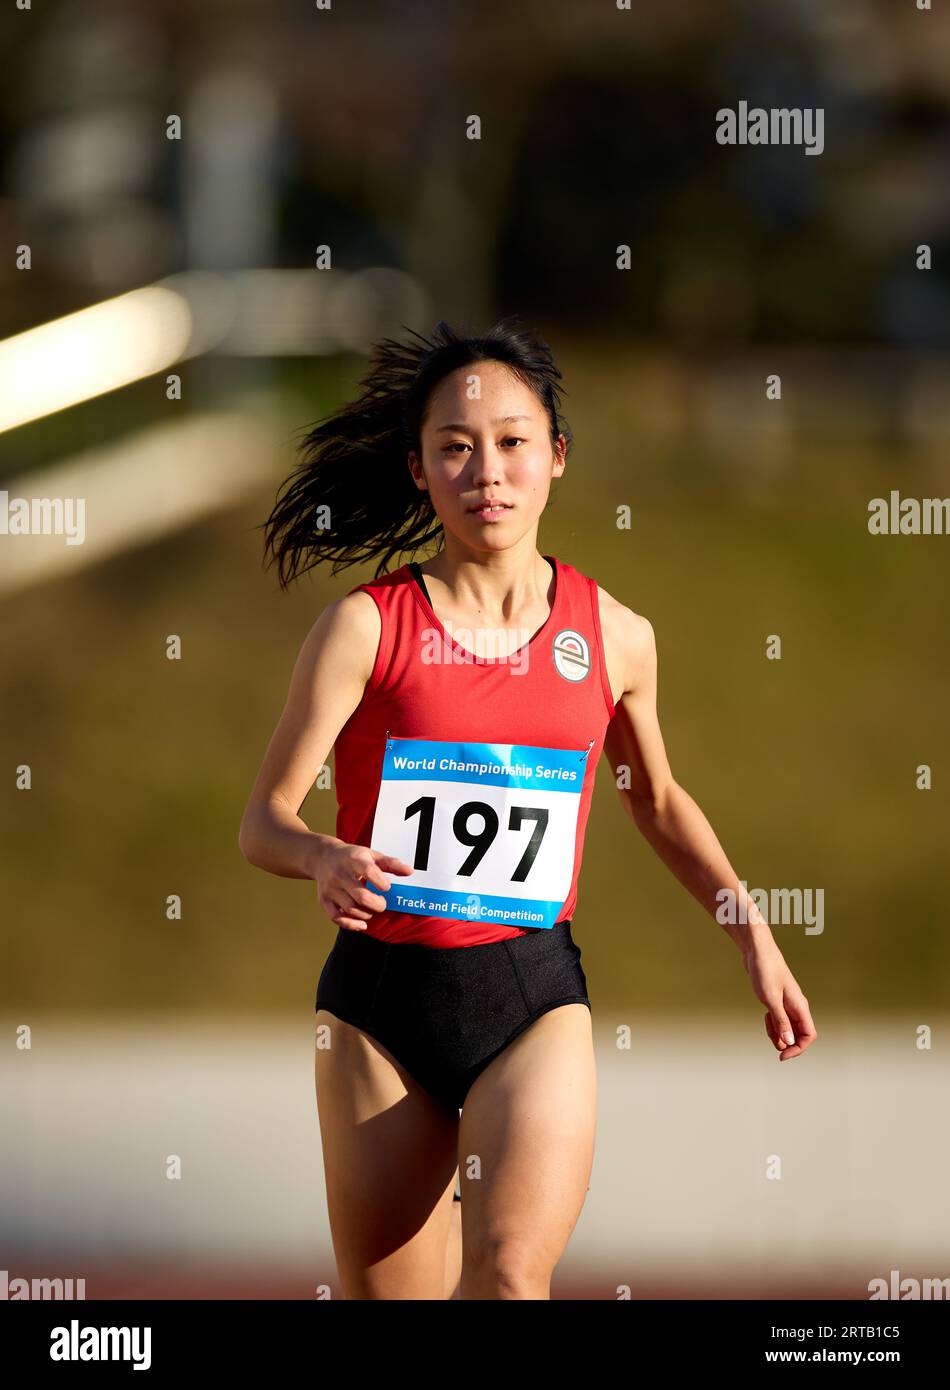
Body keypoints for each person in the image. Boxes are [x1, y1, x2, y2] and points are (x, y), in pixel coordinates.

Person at [238, 316, 818, 1301]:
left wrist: (754, 937)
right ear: (418, 471)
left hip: (528, 997)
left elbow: (658, 800)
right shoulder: (365, 628)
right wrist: (322, 856)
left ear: (555, 456)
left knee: (509, 1276)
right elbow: (263, 822)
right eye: (454, 449)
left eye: (511, 442)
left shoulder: (617, 638)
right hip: (379, 1012)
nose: (486, 472)